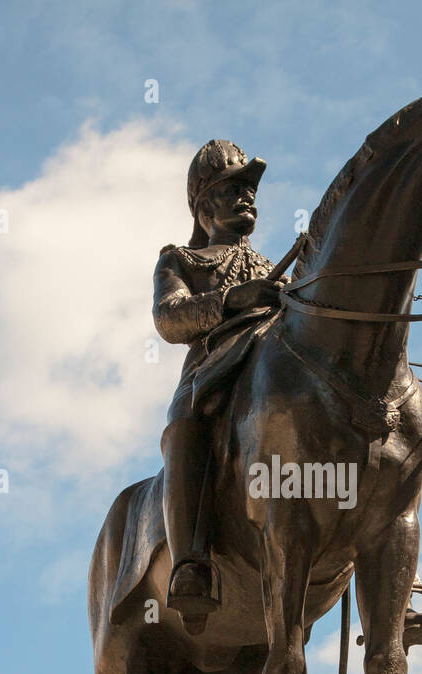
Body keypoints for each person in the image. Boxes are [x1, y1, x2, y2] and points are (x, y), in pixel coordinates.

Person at [154, 140, 284, 633]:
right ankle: (190, 562)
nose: (248, 196)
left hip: (276, 366)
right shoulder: (180, 259)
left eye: (250, 189)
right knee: (185, 427)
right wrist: (233, 300)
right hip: (213, 372)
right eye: (234, 188)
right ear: (205, 203)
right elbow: (169, 318)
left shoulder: (280, 265)